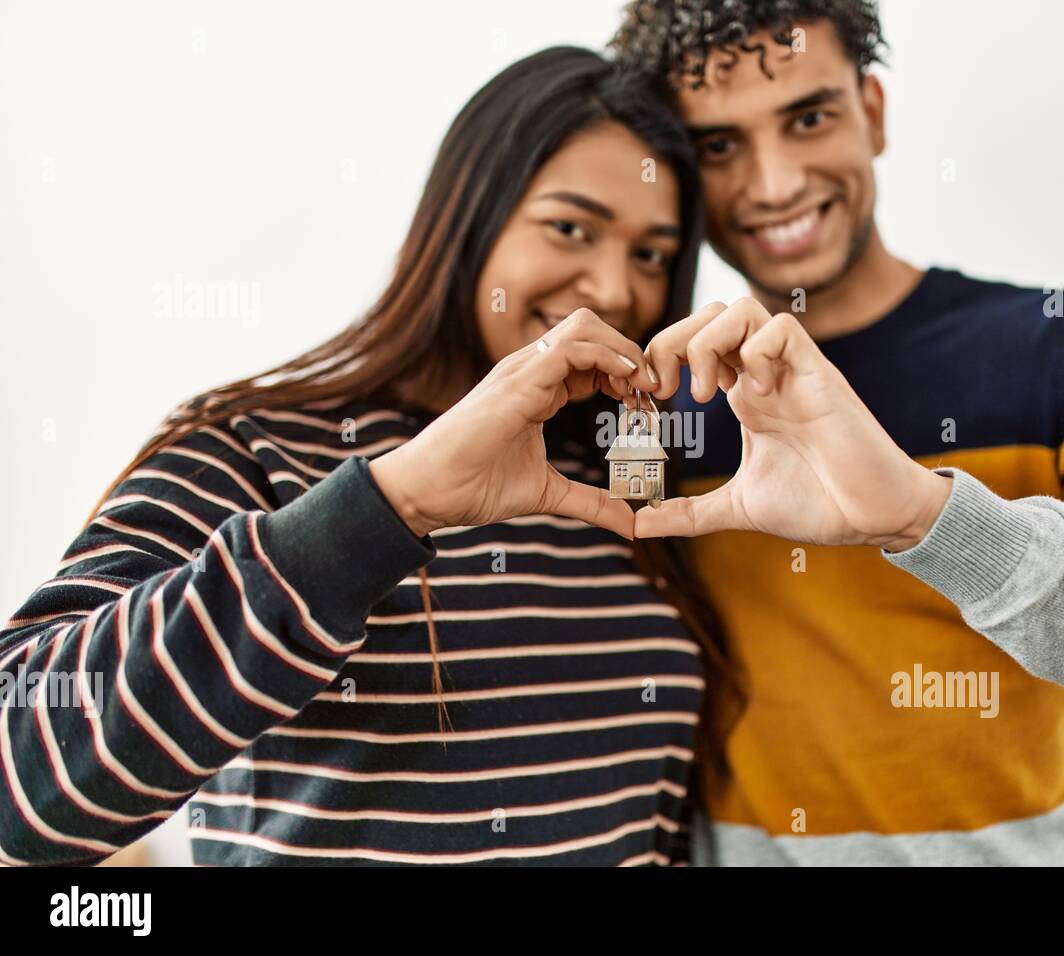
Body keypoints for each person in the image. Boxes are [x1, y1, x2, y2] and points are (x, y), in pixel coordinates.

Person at [0, 46, 735, 866]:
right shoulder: (254, 444)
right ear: (466, 219)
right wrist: (391, 506)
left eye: (651, 254)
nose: (614, 286)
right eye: (570, 227)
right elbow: (20, 781)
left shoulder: (630, 473)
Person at [610, 1, 1064, 865]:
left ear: (874, 112)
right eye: (718, 146)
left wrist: (929, 519)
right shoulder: (664, 403)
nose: (774, 183)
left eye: (810, 117)